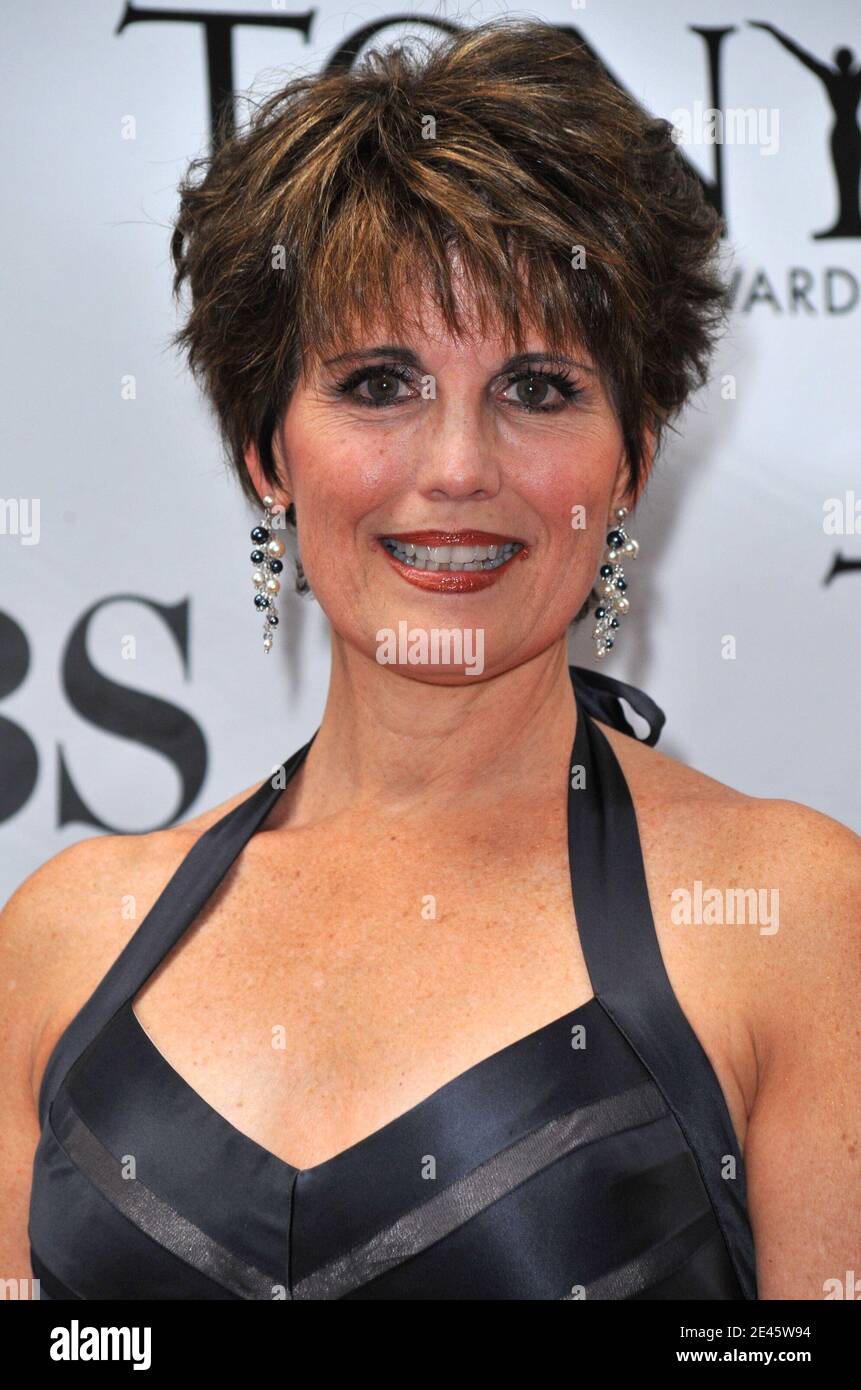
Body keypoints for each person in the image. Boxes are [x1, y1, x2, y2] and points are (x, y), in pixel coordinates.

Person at [3, 17, 859, 1301]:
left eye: (538, 388)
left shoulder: (797, 921)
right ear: (265, 452)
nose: (458, 467)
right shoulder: (66, 940)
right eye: (380, 382)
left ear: (630, 458)